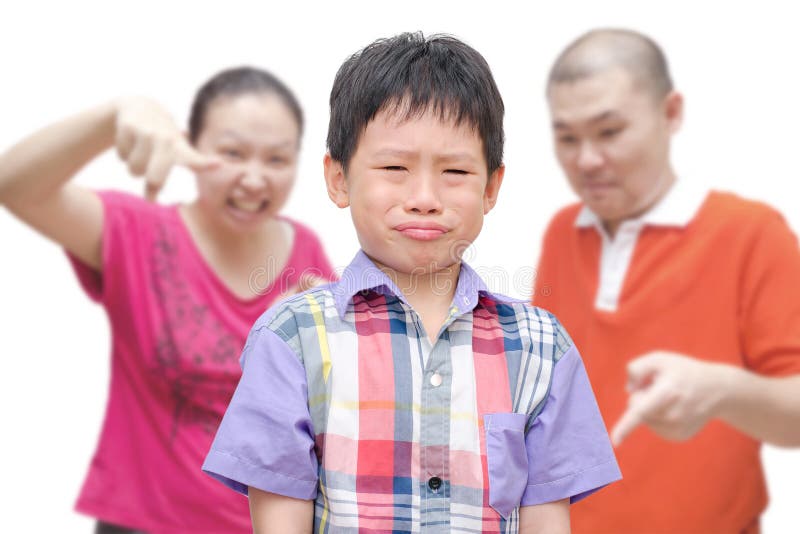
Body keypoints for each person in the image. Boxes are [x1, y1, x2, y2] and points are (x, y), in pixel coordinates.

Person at [203, 32, 621, 533]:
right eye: (394, 167)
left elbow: (547, 522)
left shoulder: (542, 348)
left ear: (491, 187)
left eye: (455, 171)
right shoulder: (291, 339)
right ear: (338, 179)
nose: (424, 196)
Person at [0, 67, 334, 533]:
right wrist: (116, 115)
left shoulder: (306, 254)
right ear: (187, 146)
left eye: (277, 159)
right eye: (232, 153)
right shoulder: (136, 233)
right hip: (144, 521)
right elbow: (14, 184)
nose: (254, 179)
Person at [533, 28, 800, 533]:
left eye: (609, 132)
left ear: (670, 113)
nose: (586, 159)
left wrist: (723, 389)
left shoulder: (751, 233)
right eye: (567, 138)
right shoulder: (563, 232)